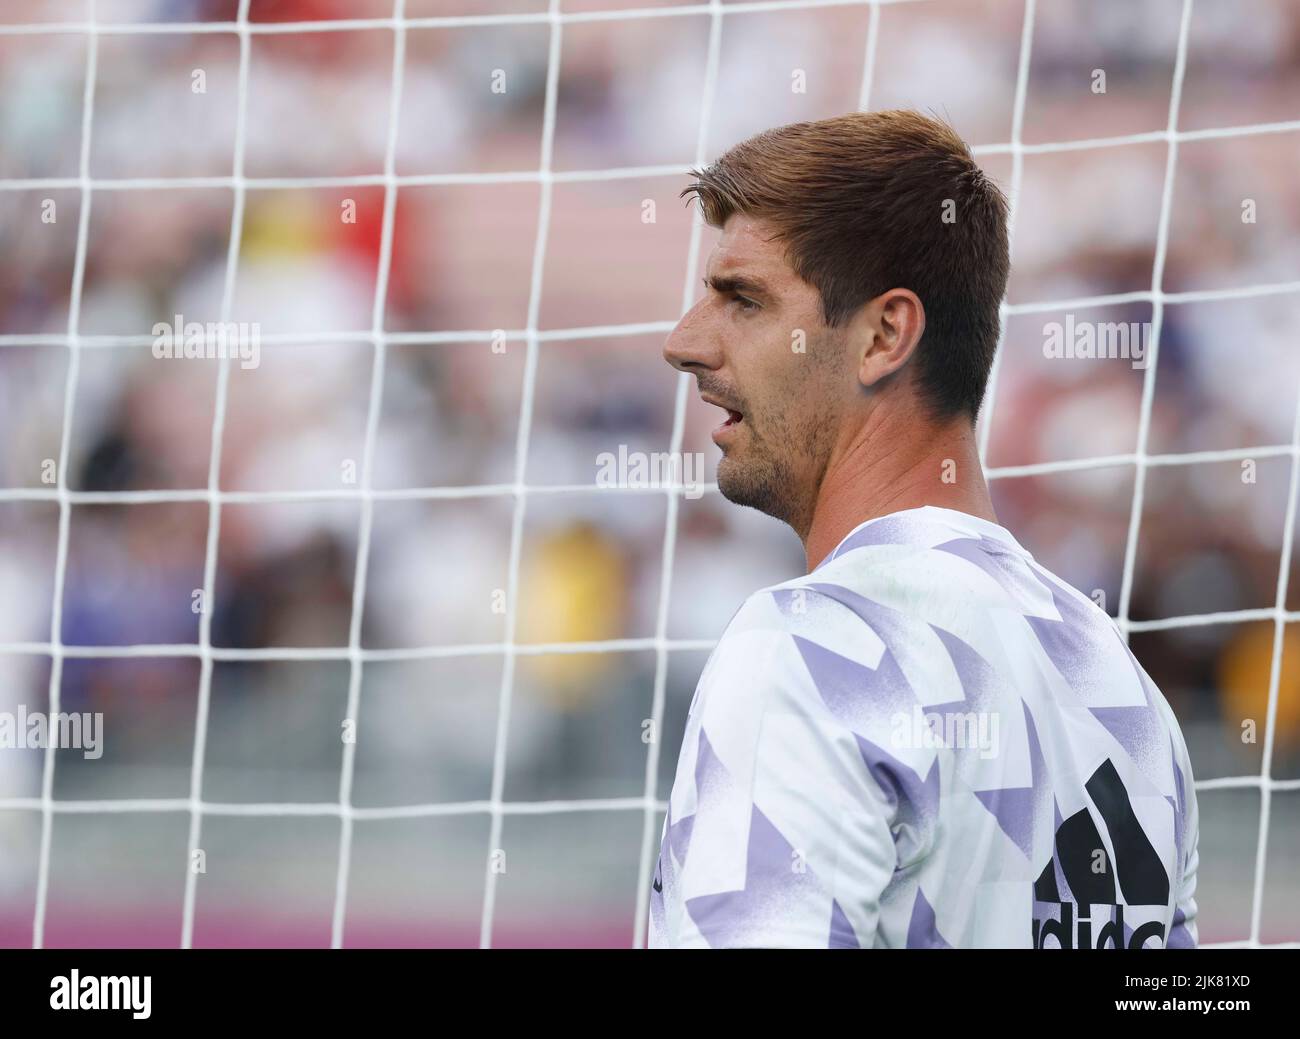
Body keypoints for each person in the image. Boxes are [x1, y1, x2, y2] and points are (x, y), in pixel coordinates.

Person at [649, 110, 1198, 949]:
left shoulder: (811, 653)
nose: (684, 342)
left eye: (743, 299)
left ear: (884, 335)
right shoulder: (1123, 690)